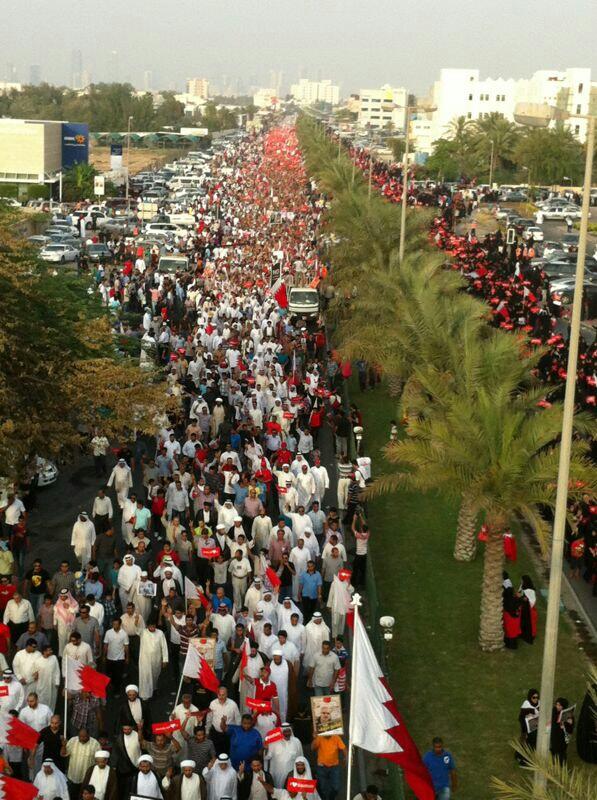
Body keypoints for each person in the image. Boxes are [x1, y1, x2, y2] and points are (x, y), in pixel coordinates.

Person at [138, 619, 168, 700]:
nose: (152, 628)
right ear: (147, 626)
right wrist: (137, 620)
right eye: (150, 626)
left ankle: (154, 690)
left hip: (156, 659)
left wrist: (165, 659)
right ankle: (145, 695)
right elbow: (136, 629)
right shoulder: (143, 632)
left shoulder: (160, 633)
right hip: (145, 660)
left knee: (155, 675)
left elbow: (164, 646)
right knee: (145, 676)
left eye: (154, 626)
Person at [312, 731, 346, 800]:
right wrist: (314, 739)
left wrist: (346, 757)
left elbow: (344, 748)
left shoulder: (336, 737)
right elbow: (312, 748)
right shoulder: (319, 737)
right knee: (322, 787)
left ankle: (331, 798)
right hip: (321, 767)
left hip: (334, 767)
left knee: (336, 788)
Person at [550, 697, 575, 764]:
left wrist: (569, 723)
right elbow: (553, 724)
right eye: (557, 704)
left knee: (562, 754)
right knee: (554, 752)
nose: (557, 706)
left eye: (559, 705)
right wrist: (560, 725)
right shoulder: (553, 712)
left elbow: (570, 730)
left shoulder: (568, 715)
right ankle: (554, 764)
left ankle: (562, 765)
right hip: (555, 737)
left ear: (563, 706)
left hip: (563, 739)